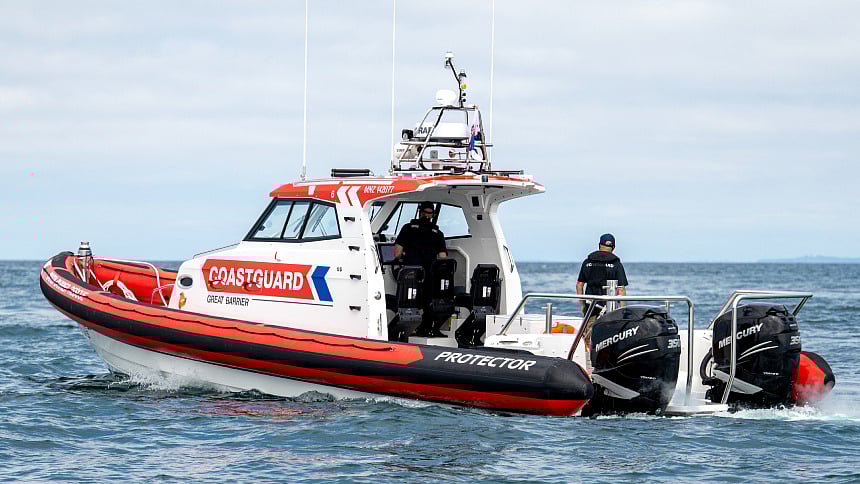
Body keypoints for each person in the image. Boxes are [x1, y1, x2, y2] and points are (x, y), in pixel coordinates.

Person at [393, 201, 448, 336]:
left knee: (406, 298)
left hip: (410, 276)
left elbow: (397, 253)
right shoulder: (438, 233)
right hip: (429, 276)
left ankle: (403, 328)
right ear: (432, 214)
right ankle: (427, 327)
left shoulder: (407, 228)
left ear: (419, 212)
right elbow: (442, 257)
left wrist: (405, 256)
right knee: (429, 299)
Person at [576, 234, 628, 356]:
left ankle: (588, 358)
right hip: (608, 308)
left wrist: (582, 305)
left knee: (588, 336)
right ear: (613, 248)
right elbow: (621, 290)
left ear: (599, 245)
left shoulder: (587, 262)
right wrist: (622, 311)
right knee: (608, 337)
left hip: (590, 306)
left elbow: (579, 285)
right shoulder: (616, 264)